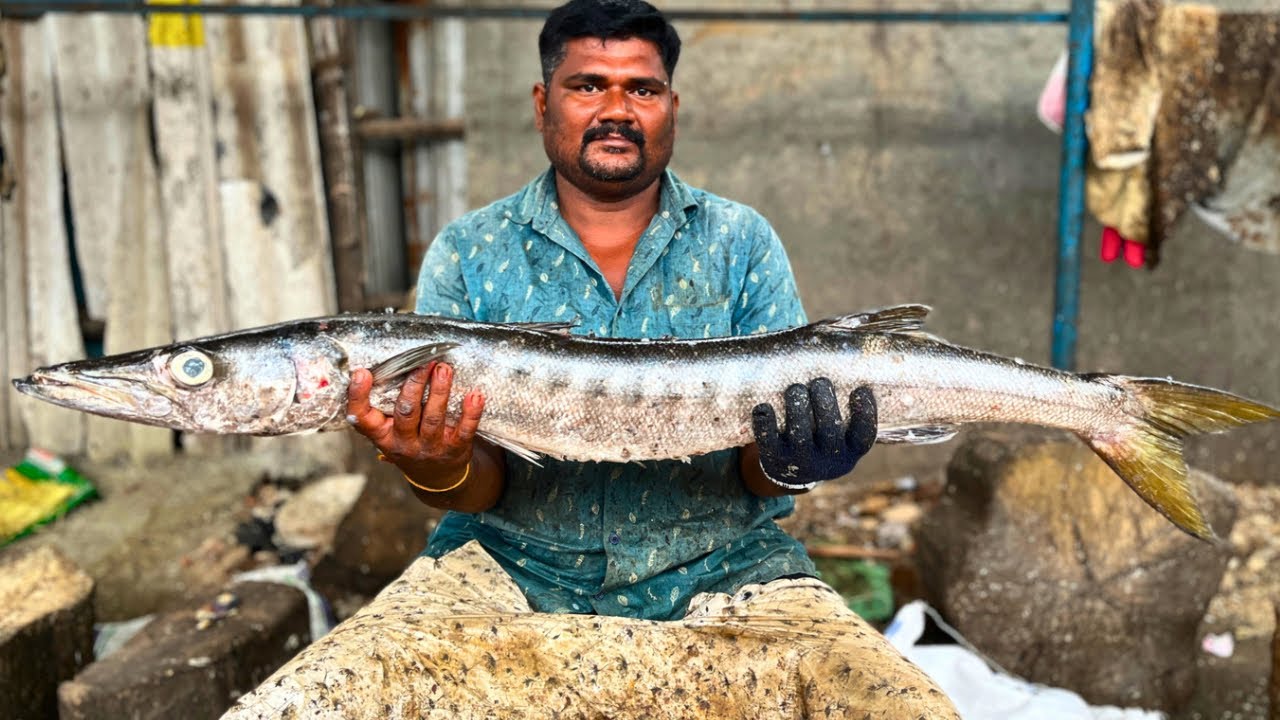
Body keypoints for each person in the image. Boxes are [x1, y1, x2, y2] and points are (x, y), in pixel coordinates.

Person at [226, 2, 958, 716]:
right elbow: (479, 487)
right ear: (544, 104)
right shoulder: (468, 250)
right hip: (507, 571)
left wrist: (793, 461)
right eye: (588, 86)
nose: (617, 109)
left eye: (641, 88)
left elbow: (754, 472)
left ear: (672, 105)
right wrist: (433, 460)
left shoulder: (742, 241)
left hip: (726, 570)